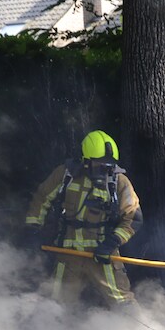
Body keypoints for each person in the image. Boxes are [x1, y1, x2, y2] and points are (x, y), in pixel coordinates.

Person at [24, 130, 142, 306]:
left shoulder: (119, 182)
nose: (104, 170)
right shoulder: (66, 175)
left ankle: (140, 326)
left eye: (108, 165)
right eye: (99, 164)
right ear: (86, 161)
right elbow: (42, 198)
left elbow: (133, 218)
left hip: (103, 256)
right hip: (68, 254)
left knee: (123, 302)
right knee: (56, 305)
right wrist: (33, 228)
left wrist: (111, 243)